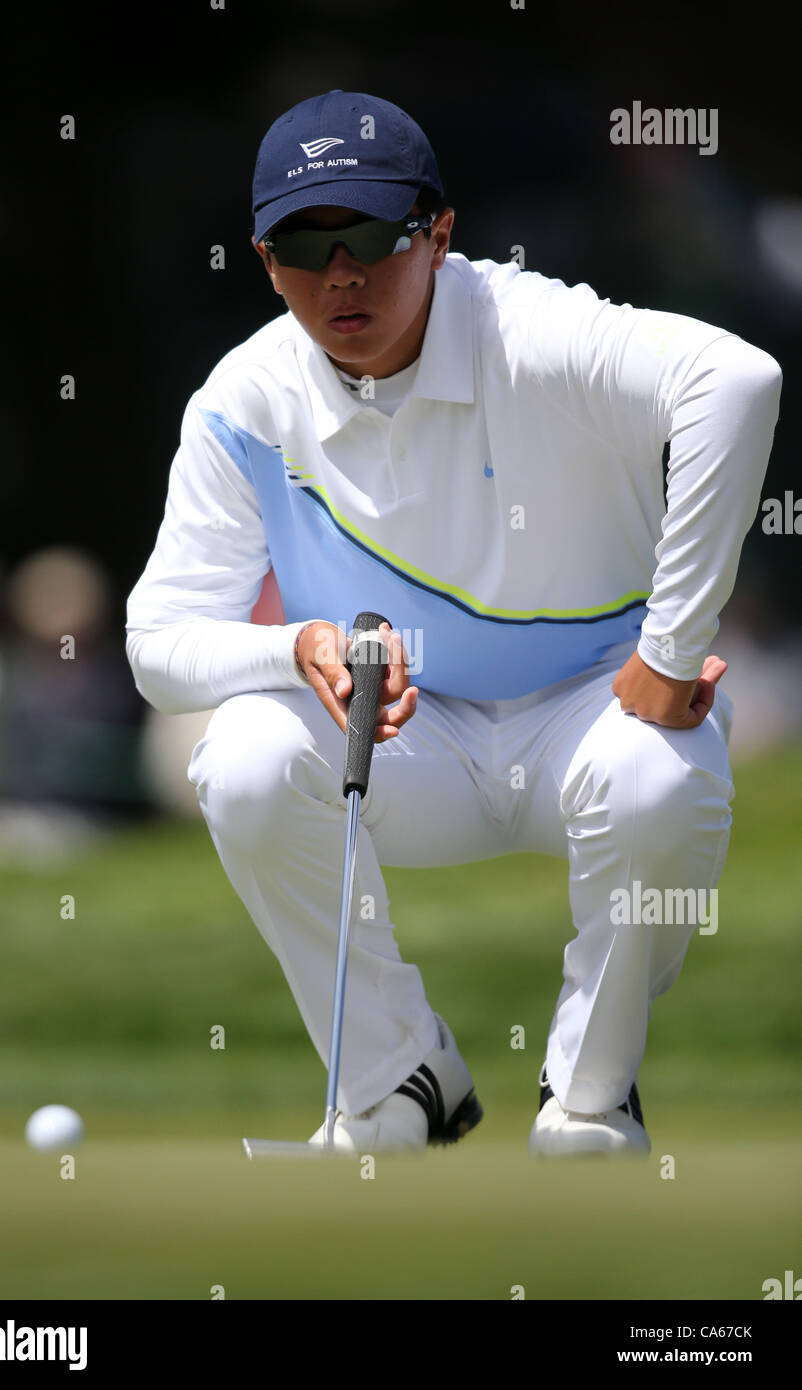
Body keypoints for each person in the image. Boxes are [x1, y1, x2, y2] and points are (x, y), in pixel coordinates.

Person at [125, 90, 783, 1157]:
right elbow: (157, 643)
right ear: (263, 258)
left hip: (588, 719)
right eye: (305, 242)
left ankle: (589, 1096)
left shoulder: (536, 331)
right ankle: (398, 1083)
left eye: (373, 237)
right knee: (241, 754)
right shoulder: (242, 400)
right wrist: (291, 647)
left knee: (661, 773)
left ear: (437, 234)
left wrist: (668, 649)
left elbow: (736, 381)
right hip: (403, 741)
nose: (341, 274)